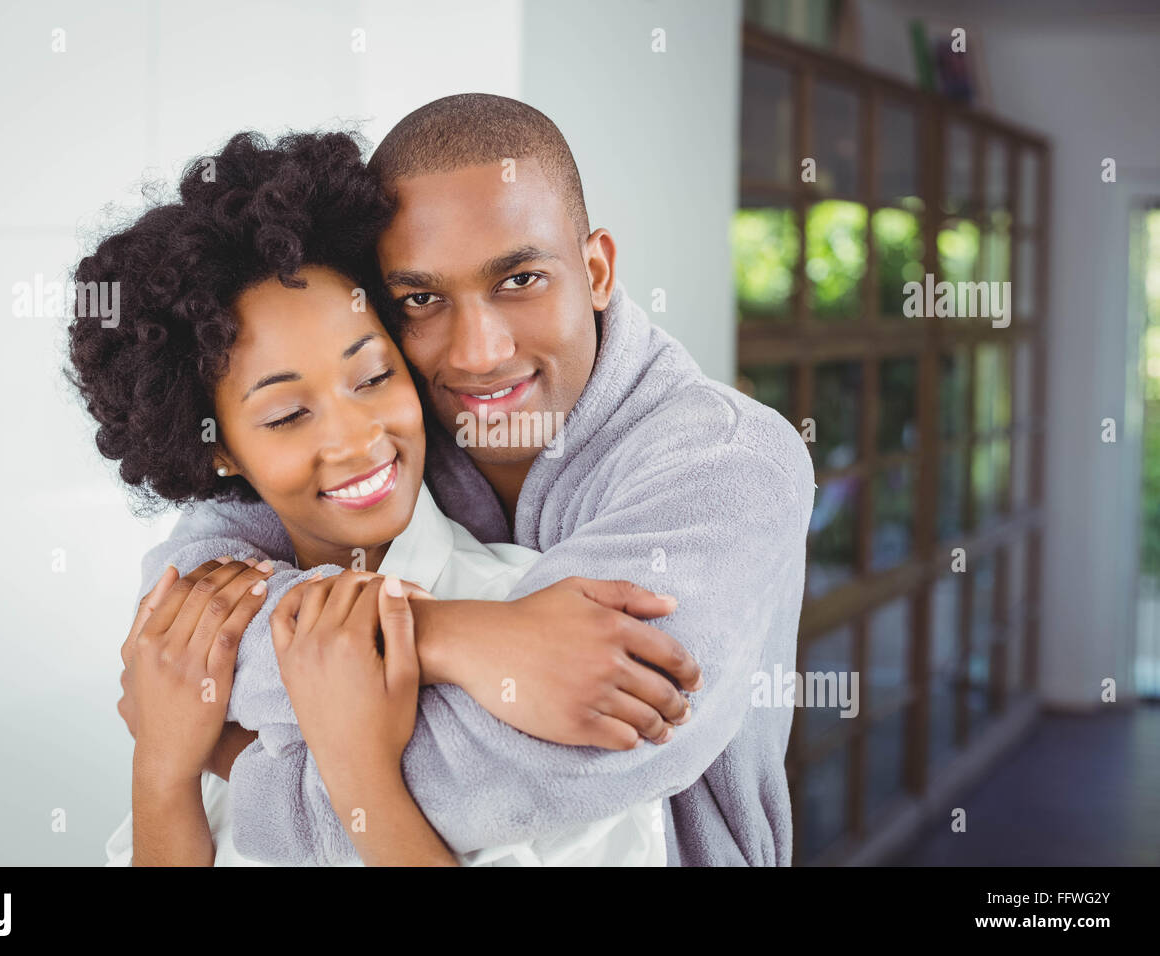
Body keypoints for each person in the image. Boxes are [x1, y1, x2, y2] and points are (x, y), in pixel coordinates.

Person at [120, 94, 815, 867]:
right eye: (421, 299)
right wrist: (460, 638)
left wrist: (229, 762)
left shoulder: (726, 462)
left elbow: (568, 759)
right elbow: (187, 617)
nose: (479, 352)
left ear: (595, 270)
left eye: (520, 279)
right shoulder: (398, 422)